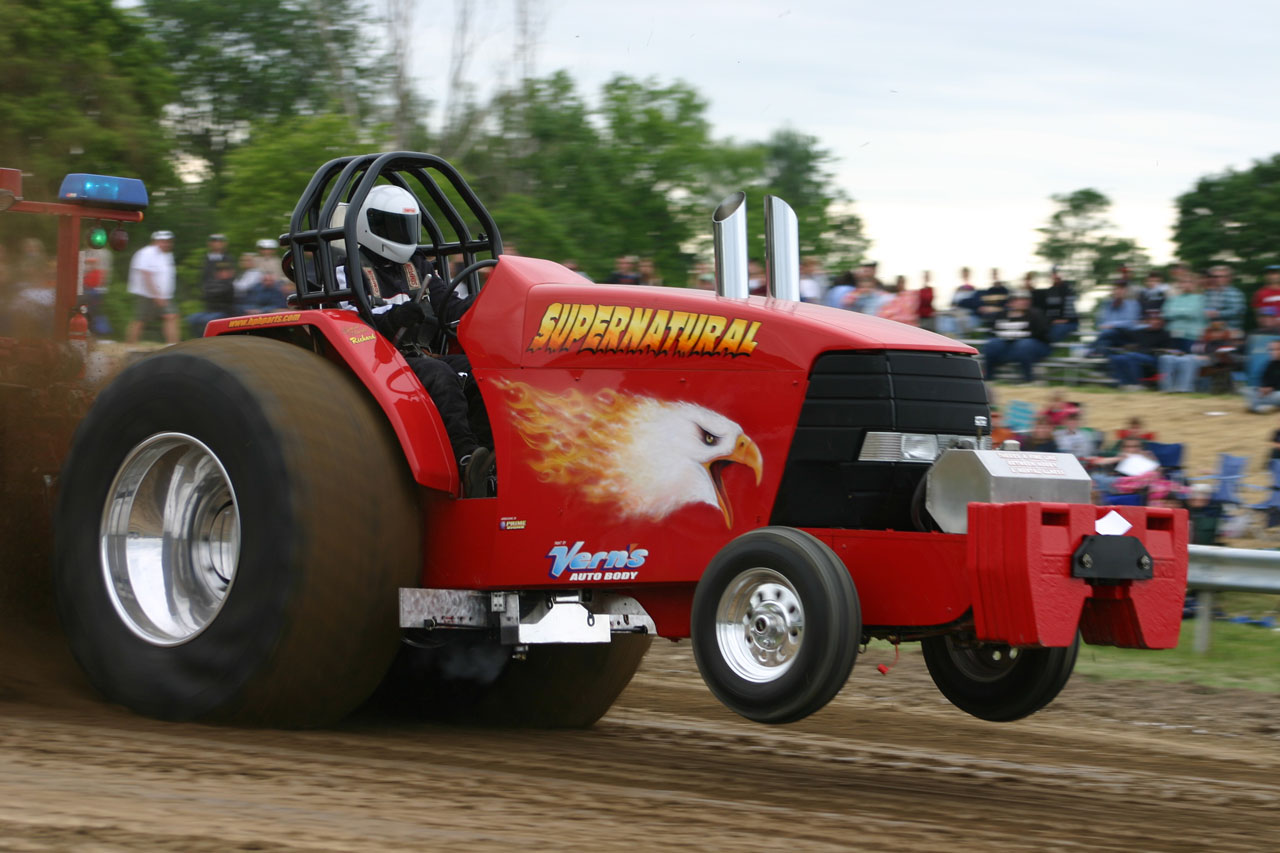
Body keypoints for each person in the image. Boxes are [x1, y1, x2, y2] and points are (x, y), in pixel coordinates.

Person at [338, 184, 492, 496]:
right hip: (378, 363)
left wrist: (485, 305)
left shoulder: (417, 265)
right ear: (372, 225)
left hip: (422, 355)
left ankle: (492, 460)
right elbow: (350, 326)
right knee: (442, 376)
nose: (403, 234)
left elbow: (447, 304)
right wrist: (396, 317)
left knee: (482, 372)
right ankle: (465, 462)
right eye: (394, 226)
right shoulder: (347, 270)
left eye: (407, 226)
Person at [983, 290, 1050, 382]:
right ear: (1010, 303)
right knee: (992, 344)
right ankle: (989, 378)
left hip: (1035, 348)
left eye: (1026, 299)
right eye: (1019, 300)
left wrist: (1016, 337)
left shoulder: (1035, 314)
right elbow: (993, 333)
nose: (1023, 302)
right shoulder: (1001, 315)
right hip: (1008, 347)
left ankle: (1028, 379)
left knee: (1024, 344)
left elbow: (1042, 334)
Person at [126, 230, 178, 345]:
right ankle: (130, 345)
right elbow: (146, 275)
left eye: (168, 242)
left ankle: (172, 344)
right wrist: (156, 295)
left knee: (171, 316)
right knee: (140, 320)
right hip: (147, 294)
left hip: (164, 295)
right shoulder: (146, 253)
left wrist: (163, 295)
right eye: (163, 241)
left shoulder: (167, 255)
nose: (166, 244)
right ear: (156, 241)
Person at [1108, 310, 1174, 391]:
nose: (1155, 322)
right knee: (1117, 358)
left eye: (1157, 320)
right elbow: (1125, 332)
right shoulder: (1140, 332)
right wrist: (1113, 327)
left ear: (1162, 322)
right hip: (1139, 355)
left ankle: (1137, 384)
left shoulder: (1165, 334)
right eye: (1152, 320)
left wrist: (1153, 350)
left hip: (1155, 357)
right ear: (1148, 321)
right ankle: (1124, 383)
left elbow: (1168, 350)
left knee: (1132, 356)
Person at [187, 233, 238, 336]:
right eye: (214, 241)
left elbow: (230, 281)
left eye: (220, 241)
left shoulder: (228, 259)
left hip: (224, 302)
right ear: (209, 244)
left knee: (208, 321)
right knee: (193, 320)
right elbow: (202, 278)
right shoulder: (206, 259)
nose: (217, 244)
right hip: (210, 299)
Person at [1088, 282, 1141, 355]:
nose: (1118, 291)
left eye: (1122, 289)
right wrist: (1111, 326)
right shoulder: (1107, 304)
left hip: (1126, 336)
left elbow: (1131, 323)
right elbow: (1100, 323)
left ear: (1126, 292)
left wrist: (1112, 325)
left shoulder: (1133, 304)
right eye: (1116, 289)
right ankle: (1102, 356)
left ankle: (1090, 348)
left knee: (1108, 333)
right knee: (1105, 342)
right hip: (1109, 337)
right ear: (1113, 291)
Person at [1031, 272, 1078, 342]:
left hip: (1066, 323)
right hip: (1050, 323)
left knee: (1049, 336)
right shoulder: (1048, 292)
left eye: (1057, 277)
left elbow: (1069, 318)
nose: (1055, 279)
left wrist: (1052, 321)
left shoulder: (1068, 291)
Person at [1244, 340, 1280, 413]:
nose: (1274, 352)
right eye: (1271, 350)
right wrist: (1263, 388)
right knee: (1247, 390)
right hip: (1270, 394)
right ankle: (1266, 405)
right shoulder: (1270, 365)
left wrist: (1272, 388)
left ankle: (1258, 405)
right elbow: (1264, 380)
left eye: (1277, 349)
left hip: (1276, 393)